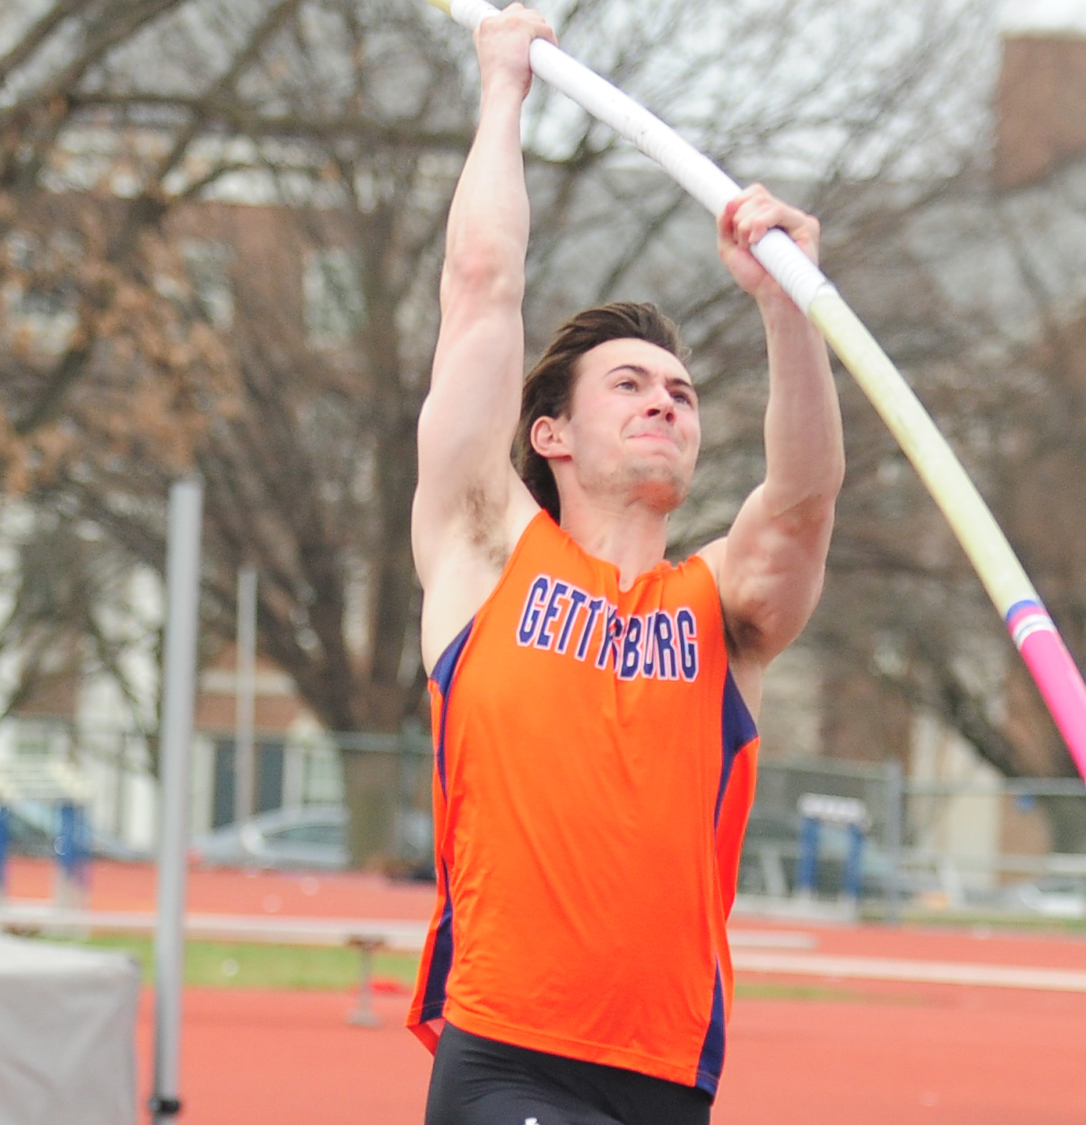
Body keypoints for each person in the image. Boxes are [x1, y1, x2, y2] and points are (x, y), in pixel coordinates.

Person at [407, 5, 843, 1123]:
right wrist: (502, 87)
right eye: (629, 385)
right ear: (548, 434)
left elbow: (798, 504)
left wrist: (786, 307)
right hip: (508, 1051)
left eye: (682, 393)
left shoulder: (718, 613)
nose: (664, 399)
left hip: (666, 1070)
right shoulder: (484, 546)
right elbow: (480, 288)